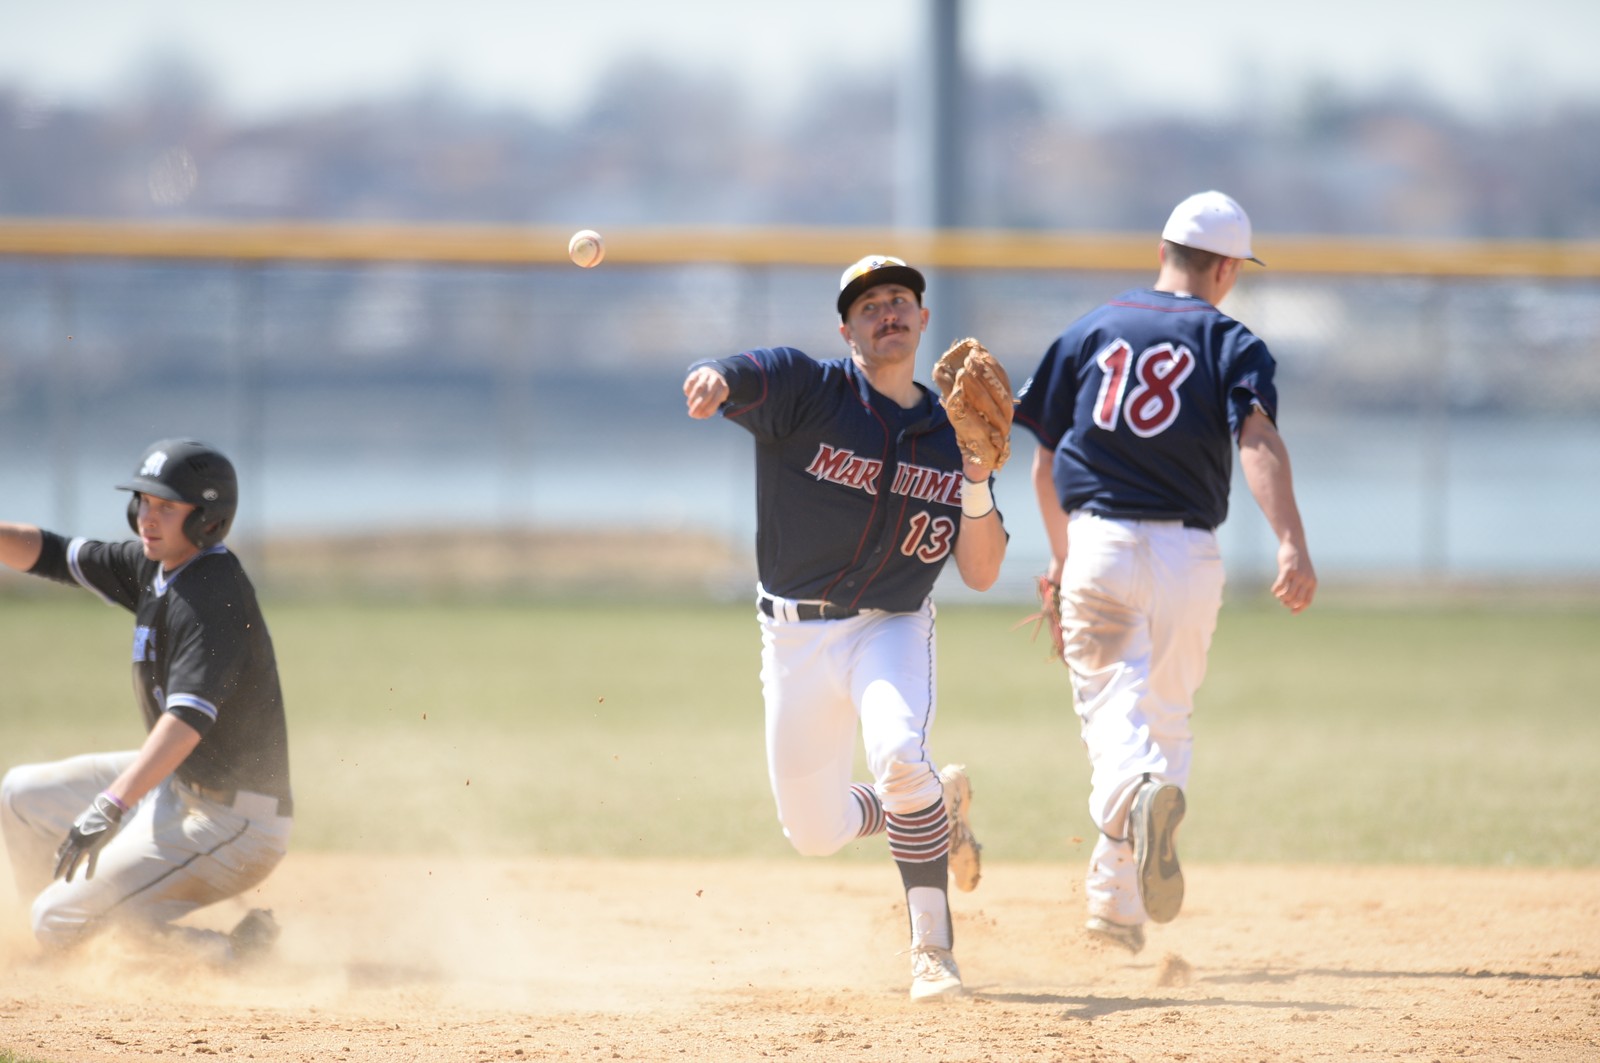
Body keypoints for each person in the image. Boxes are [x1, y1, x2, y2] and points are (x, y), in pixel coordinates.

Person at [682, 255, 1009, 1001]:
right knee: (815, 832)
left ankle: (932, 948)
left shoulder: (948, 432)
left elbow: (984, 571)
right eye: (869, 305)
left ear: (924, 319)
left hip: (890, 627)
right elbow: (743, 370)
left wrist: (978, 480)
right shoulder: (809, 389)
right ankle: (939, 802)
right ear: (846, 327)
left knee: (897, 753)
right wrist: (714, 377)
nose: (887, 312)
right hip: (793, 637)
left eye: (900, 299)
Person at [1014, 191, 1317, 955]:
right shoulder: (1232, 341)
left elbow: (1046, 465)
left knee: (1114, 717)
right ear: (1222, 268)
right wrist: (1290, 541)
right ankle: (1115, 906)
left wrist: (1058, 555)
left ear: (1162, 252)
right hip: (1191, 555)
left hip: (1100, 543)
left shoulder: (1091, 329)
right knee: (1166, 719)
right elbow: (1257, 440)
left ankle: (1133, 815)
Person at [0, 438, 292, 963]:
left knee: (57, 920)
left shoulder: (213, 596)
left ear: (207, 519)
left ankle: (229, 954)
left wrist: (113, 803)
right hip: (179, 790)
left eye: (166, 507)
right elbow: (51, 552)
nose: (147, 518)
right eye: (144, 502)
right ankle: (66, 939)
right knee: (20, 795)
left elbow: (185, 720)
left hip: (233, 822)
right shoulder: (153, 566)